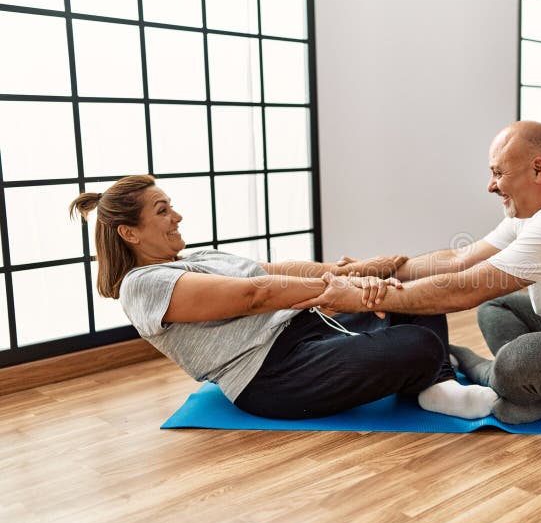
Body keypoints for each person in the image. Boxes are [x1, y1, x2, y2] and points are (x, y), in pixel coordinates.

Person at [297, 121, 541, 424]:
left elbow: (464, 289)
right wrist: (384, 267)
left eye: (498, 173)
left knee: (515, 361)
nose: (491, 186)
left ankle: (494, 375)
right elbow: (460, 260)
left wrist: (369, 297)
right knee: (498, 309)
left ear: (538, 170)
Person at [68, 175, 498, 420]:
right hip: (273, 374)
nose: (177, 215)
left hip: (308, 330)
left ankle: (435, 384)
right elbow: (255, 295)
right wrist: (345, 291)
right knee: (417, 340)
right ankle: (434, 366)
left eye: (171, 205)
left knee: (412, 296)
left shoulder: (197, 256)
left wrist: (358, 271)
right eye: (162, 210)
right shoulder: (142, 285)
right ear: (130, 233)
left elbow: (277, 270)